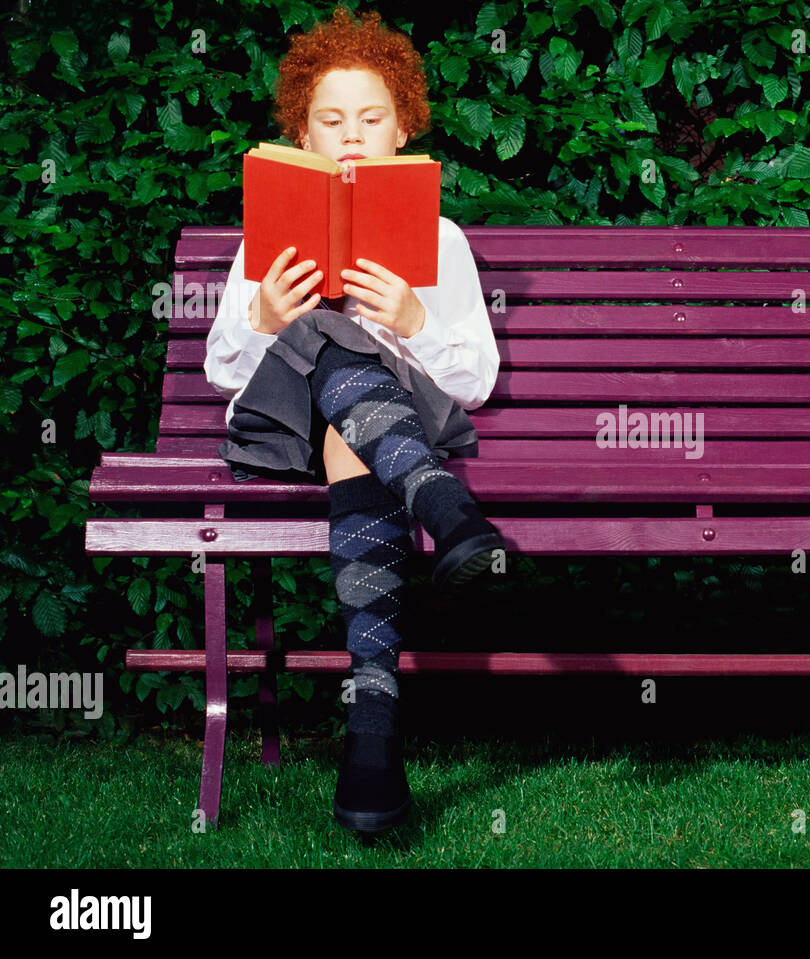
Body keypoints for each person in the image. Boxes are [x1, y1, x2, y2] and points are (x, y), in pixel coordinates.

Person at [204, 7, 502, 835]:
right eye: (329, 121)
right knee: (326, 333)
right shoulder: (262, 241)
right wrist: (266, 316)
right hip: (288, 435)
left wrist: (411, 319)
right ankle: (449, 514)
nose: (351, 137)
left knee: (354, 406)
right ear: (301, 132)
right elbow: (224, 373)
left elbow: (474, 378)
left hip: (380, 438)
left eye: (372, 118)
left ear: (404, 126)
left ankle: (373, 735)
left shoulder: (440, 238)